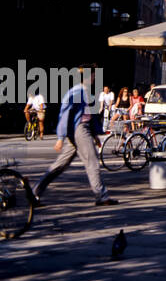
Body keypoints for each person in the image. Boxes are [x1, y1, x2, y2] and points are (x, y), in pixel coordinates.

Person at [32, 70, 117, 207]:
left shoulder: (88, 92)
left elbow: (92, 116)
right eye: (93, 76)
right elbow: (65, 113)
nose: (95, 78)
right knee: (93, 162)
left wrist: (95, 135)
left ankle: (34, 191)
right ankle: (101, 196)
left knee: (60, 164)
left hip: (83, 130)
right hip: (79, 130)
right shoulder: (76, 92)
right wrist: (60, 136)